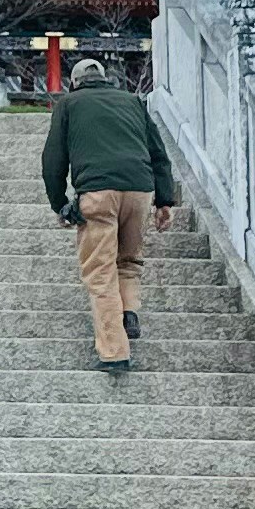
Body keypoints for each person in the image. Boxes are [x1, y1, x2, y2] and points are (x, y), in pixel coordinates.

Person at [41, 54, 176, 377]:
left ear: (74, 83)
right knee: (128, 261)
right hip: (140, 192)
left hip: (98, 193)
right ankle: (128, 311)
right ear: (106, 79)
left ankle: (115, 352)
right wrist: (165, 201)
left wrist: (59, 203)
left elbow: (53, 160)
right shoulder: (133, 102)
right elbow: (158, 153)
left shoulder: (69, 105)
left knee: (100, 271)